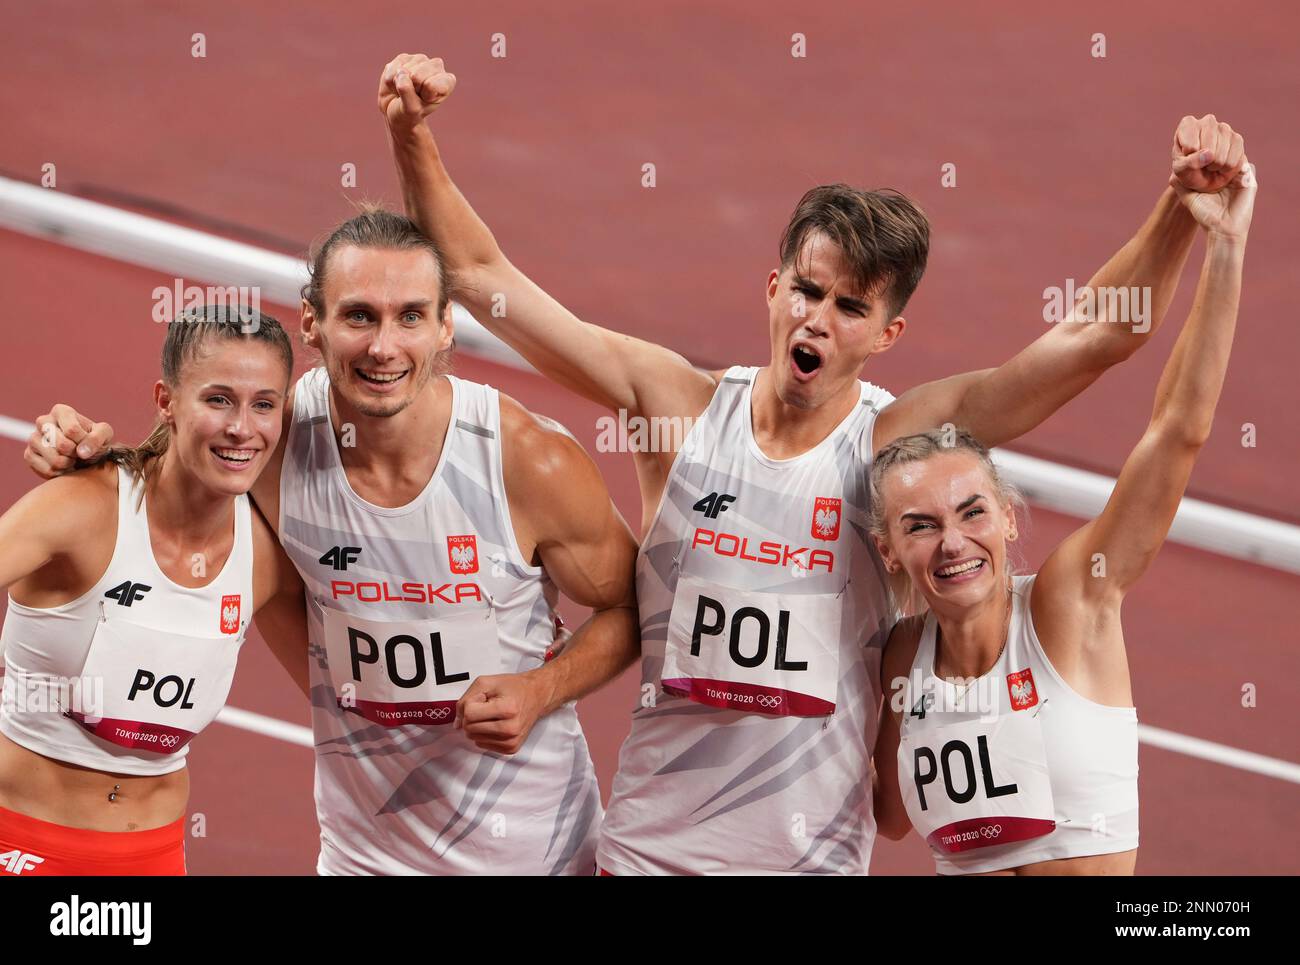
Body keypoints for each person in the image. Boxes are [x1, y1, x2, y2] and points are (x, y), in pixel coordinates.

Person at [376, 52, 1245, 874]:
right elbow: (482, 276)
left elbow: (1099, 337)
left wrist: (1178, 206)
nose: (817, 320)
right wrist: (413, 137)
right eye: (806, 289)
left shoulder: (895, 452)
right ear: (773, 286)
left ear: (886, 333)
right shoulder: (674, 408)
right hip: (648, 851)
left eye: (849, 306)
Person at [25, 211, 641, 875]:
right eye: (359, 316)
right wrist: (79, 450)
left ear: (444, 326)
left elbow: (631, 607)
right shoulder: (274, 440)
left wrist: (542, 689)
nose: (384, 346)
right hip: (361, 860)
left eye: (410, 316)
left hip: (536, 857)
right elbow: (175, 472)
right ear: (312, 323)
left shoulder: (525, 461)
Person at [870, 160, 1254, 874]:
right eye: (920, 525)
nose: (954, 542)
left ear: (1010, 521)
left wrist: (1225, 248)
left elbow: (1177, 432)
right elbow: (891, 815)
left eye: (973, 511)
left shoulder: (1069, 600)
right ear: (888, 550)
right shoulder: (902, 657)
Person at [0, 306, 308, 876]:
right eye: (218, 399)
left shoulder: (265, 558)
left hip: (151, 858)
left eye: (263, 404)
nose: (242, 427)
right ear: (166, 401)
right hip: (20, 839)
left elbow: (342, 686)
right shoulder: (81, 510)